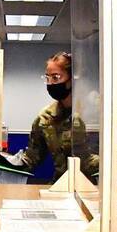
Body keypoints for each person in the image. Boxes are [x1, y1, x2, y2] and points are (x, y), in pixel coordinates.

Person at [17, 51, 99, 180]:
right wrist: (4, 163)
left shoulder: (97, 112)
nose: (51, 84)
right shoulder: (46, 117)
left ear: (72, 79)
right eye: (47, 78)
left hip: (99, 190)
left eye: (55, 78)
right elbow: (32, 158)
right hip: (60, 188)